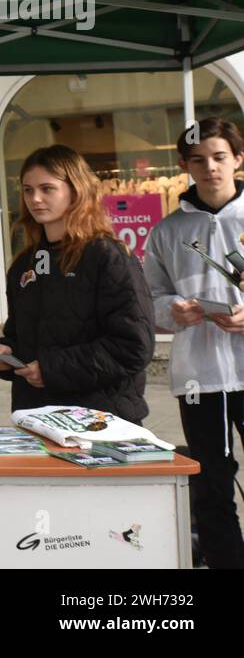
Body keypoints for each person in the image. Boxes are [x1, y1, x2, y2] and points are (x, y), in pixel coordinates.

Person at [0, 145, 154, 423]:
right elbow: (21, 334)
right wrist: (5, 354)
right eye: (28, 190)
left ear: (75, 191)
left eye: (47, 189)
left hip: (100, 420)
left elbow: (133, 346)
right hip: (37, 416)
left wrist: (51, 370)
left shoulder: (107, 256)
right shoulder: (24, 263)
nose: (35, 199)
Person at [143, 118, 244, 569]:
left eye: (220, 157)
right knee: (212, 486)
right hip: (200, 378)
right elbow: (150, 297)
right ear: (185, 166)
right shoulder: (166, 233)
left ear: (238, 159)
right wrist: (172, 312)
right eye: (199, 160)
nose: (211, 168)